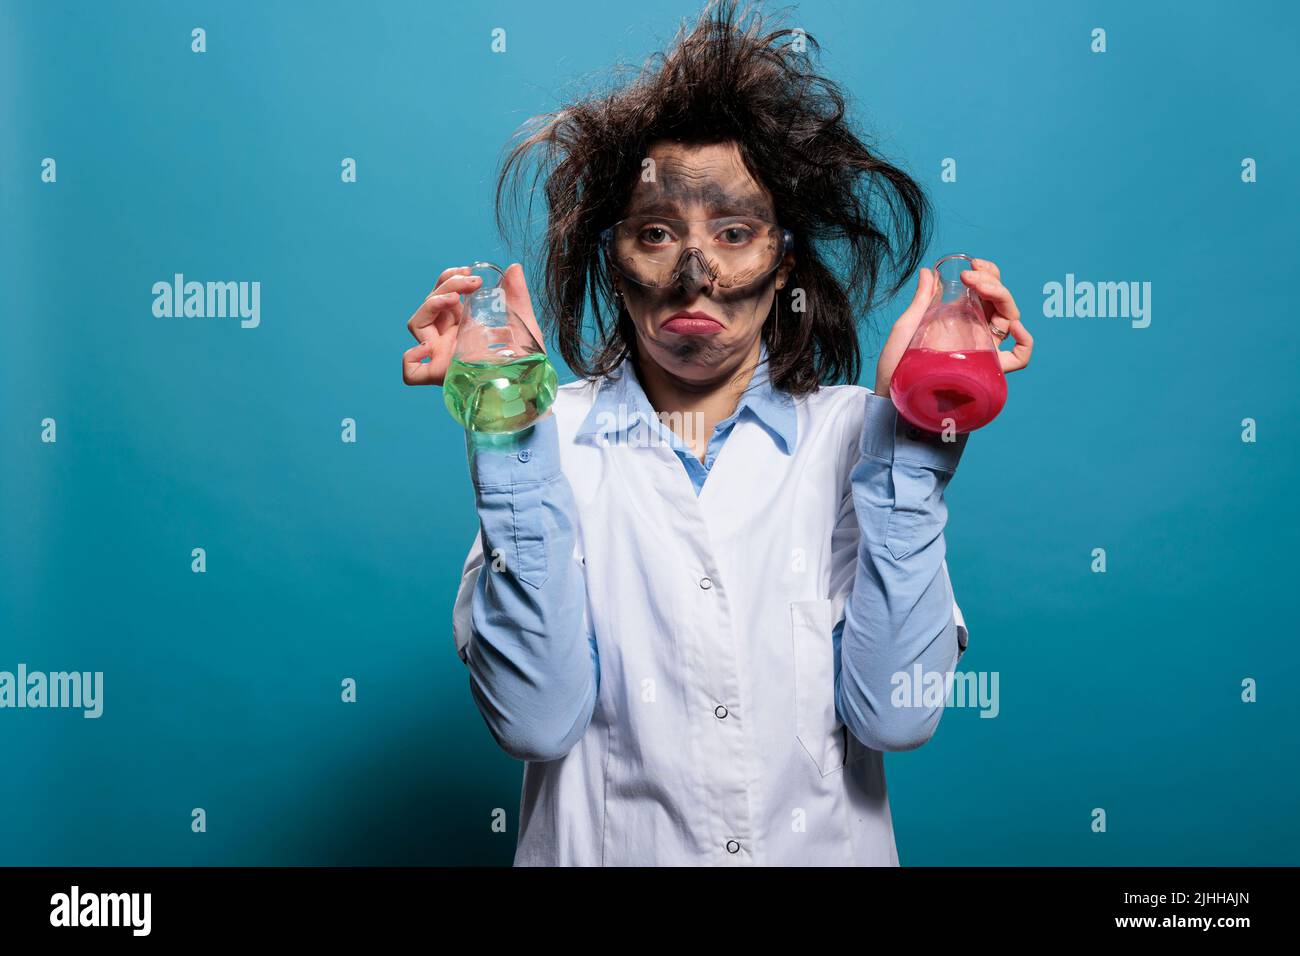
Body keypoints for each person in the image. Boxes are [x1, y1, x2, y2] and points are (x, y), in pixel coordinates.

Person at [403, 1, 1032, 866]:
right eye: (657, 233)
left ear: (784, 263)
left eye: (734, 233)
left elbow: (897, 712)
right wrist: (507, 427)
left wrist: (923, 432)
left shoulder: (863, 438)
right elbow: (537, 720)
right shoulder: (549, 442)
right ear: (610, 260)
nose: (695, 277)